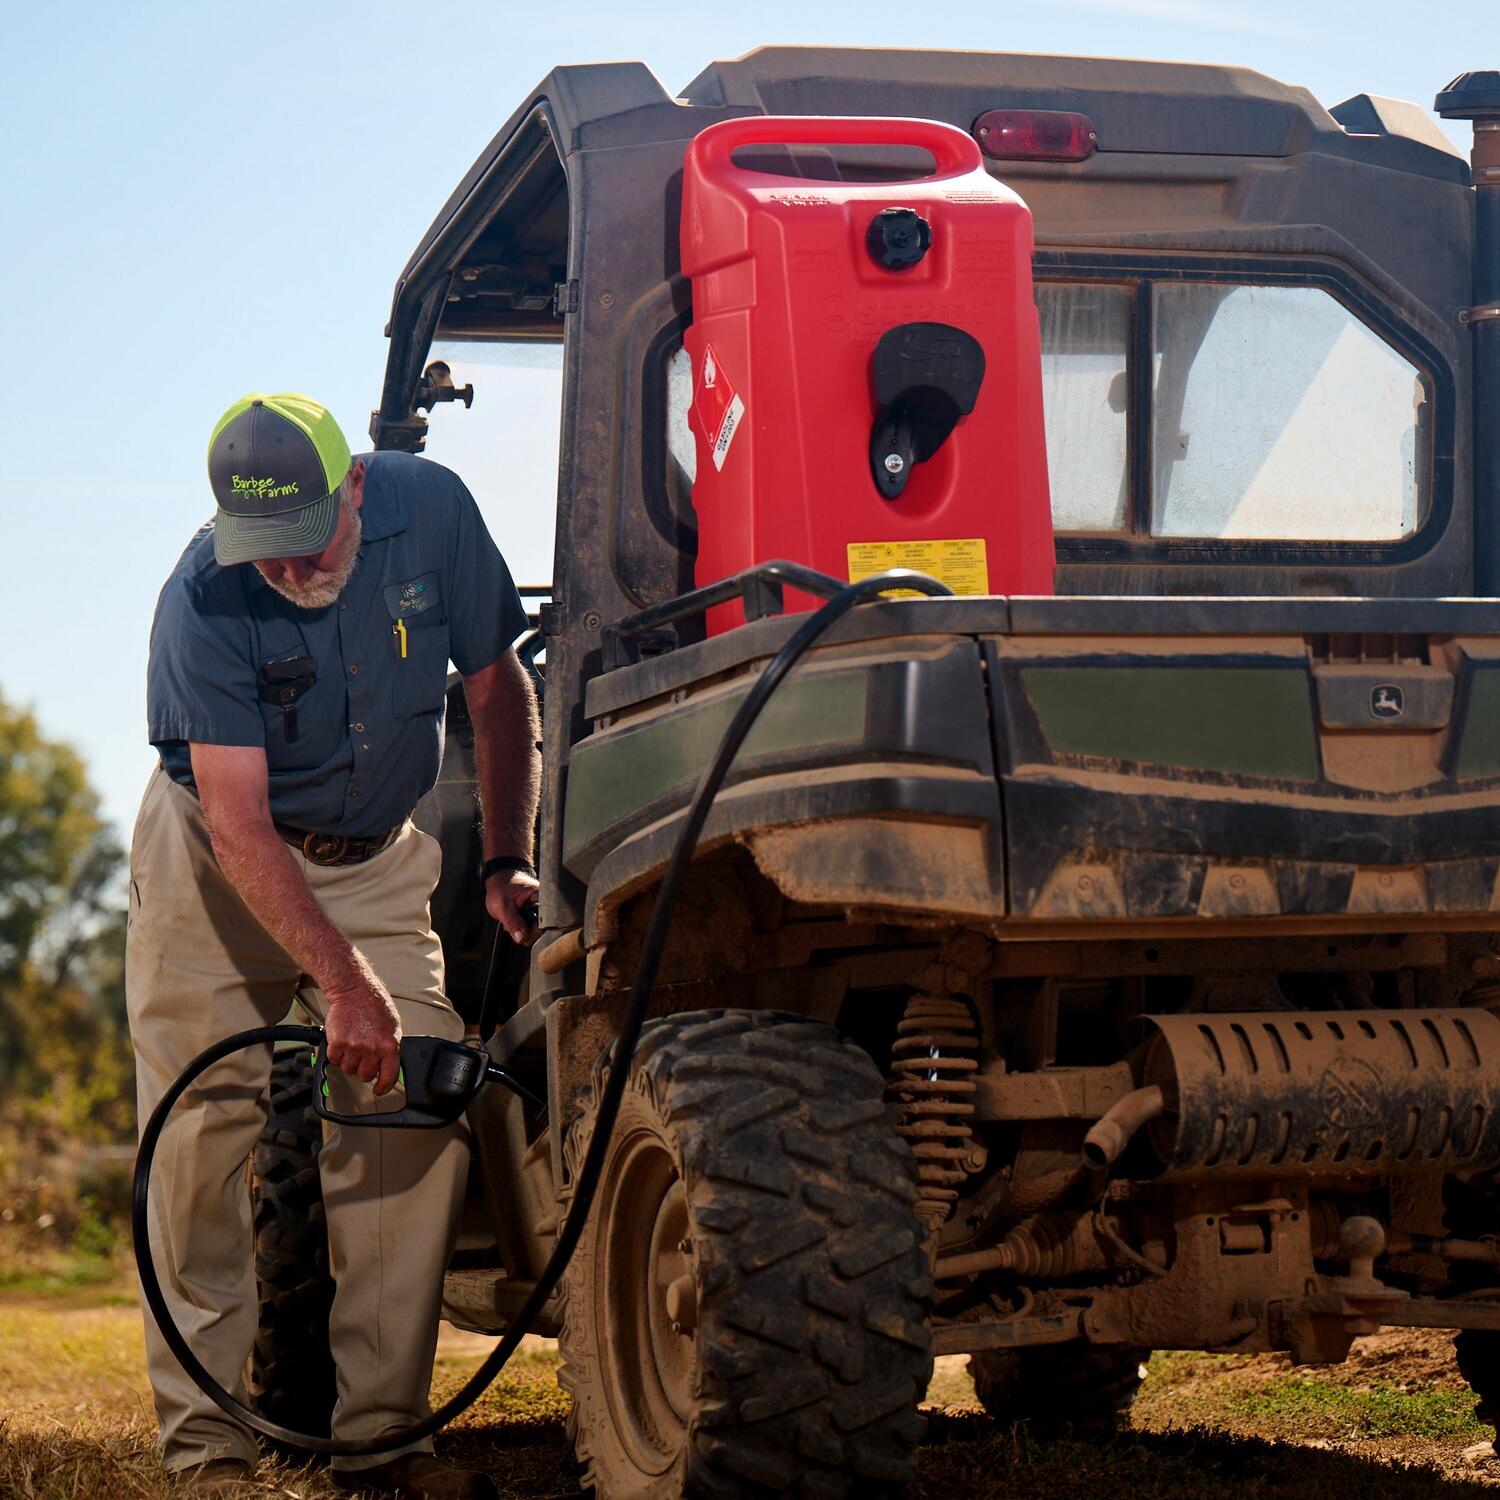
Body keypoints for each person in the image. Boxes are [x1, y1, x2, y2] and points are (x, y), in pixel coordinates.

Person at [127, 393, 540, 1499]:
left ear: (356, 486)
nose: (285, 570)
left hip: (370, 856)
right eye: (261, 551)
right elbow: (238, 823)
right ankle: (209, 1451)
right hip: (219, 866)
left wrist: (506, 857)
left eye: (307, 541)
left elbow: (500, 691)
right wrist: (343, 982)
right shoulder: (201, 598)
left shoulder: (435, 514)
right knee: (197, 1136)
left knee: (415, 1097)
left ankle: (383, 1441)